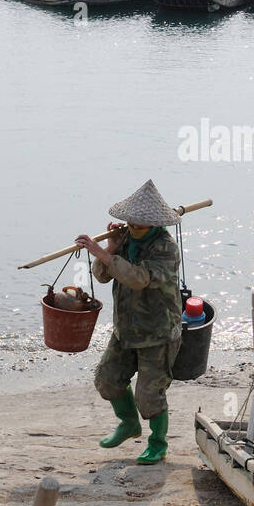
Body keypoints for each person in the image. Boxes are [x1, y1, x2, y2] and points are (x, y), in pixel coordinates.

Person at [74, 180, 182, 465]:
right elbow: (102, 275)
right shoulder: (124, 241)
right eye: (131, 222)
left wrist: (103, 254)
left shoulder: (165, 249)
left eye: (140, 224)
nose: (133, 226)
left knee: (149, 395)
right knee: (107, 381)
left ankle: (157, 443)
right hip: (125, 330)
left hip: (158, 333)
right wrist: (110, 248)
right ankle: (128, 424)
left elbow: (138, 279)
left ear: (154, 224)